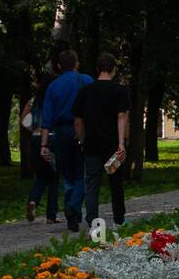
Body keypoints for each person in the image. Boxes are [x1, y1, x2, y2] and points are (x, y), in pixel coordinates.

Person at [73, 53, 131, 231]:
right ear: (113, 69)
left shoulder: (85, 91)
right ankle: (119, 220)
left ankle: (93, 223)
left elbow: (77, 120)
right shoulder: (120, 91)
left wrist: (82, 140)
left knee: (92, 184)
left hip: (91, 145)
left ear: (97, 69)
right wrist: (121, 143)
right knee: (116, 184)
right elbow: (122, 116)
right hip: (113, 147)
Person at [40, 50, 93, 232]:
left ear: (59, 66)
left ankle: (74, 212)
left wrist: (44, 145)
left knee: (68, 174)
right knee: (84, 173)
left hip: (61, 132)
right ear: (77, 64)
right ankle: (73, 206)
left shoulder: (53, 86)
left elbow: (46, 119)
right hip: (83, 130)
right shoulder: (86, 81)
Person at [23, 65, 60, 223]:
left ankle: (33, 201)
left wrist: (33, 128)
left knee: (41, 176)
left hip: (36, 139)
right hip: (51, 139)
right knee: (54, 177)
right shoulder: (55, 99)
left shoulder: (33, 100)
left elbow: (23, 119)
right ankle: (51, 216)